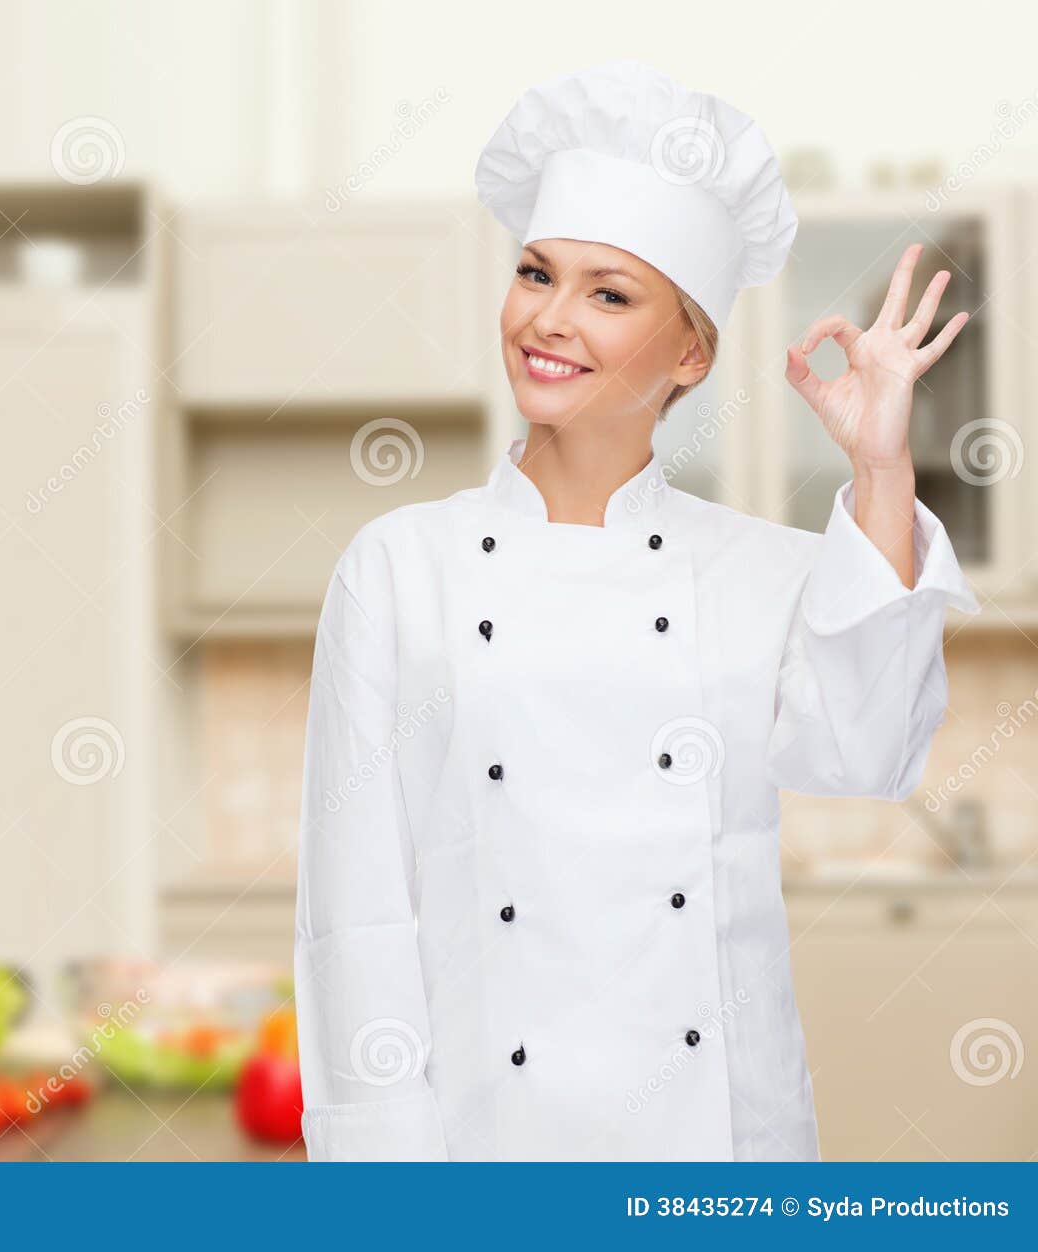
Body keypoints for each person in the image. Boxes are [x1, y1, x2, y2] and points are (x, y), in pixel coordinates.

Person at [292, 59, 981, 1162]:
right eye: (534, 273)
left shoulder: (765, 570)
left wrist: (881, 471)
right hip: (485, 1147)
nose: (548, 320)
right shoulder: (397, 568)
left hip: (724, 1151)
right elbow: (356, 908)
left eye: (608, 293)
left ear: (690, 351)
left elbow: (863, 757)